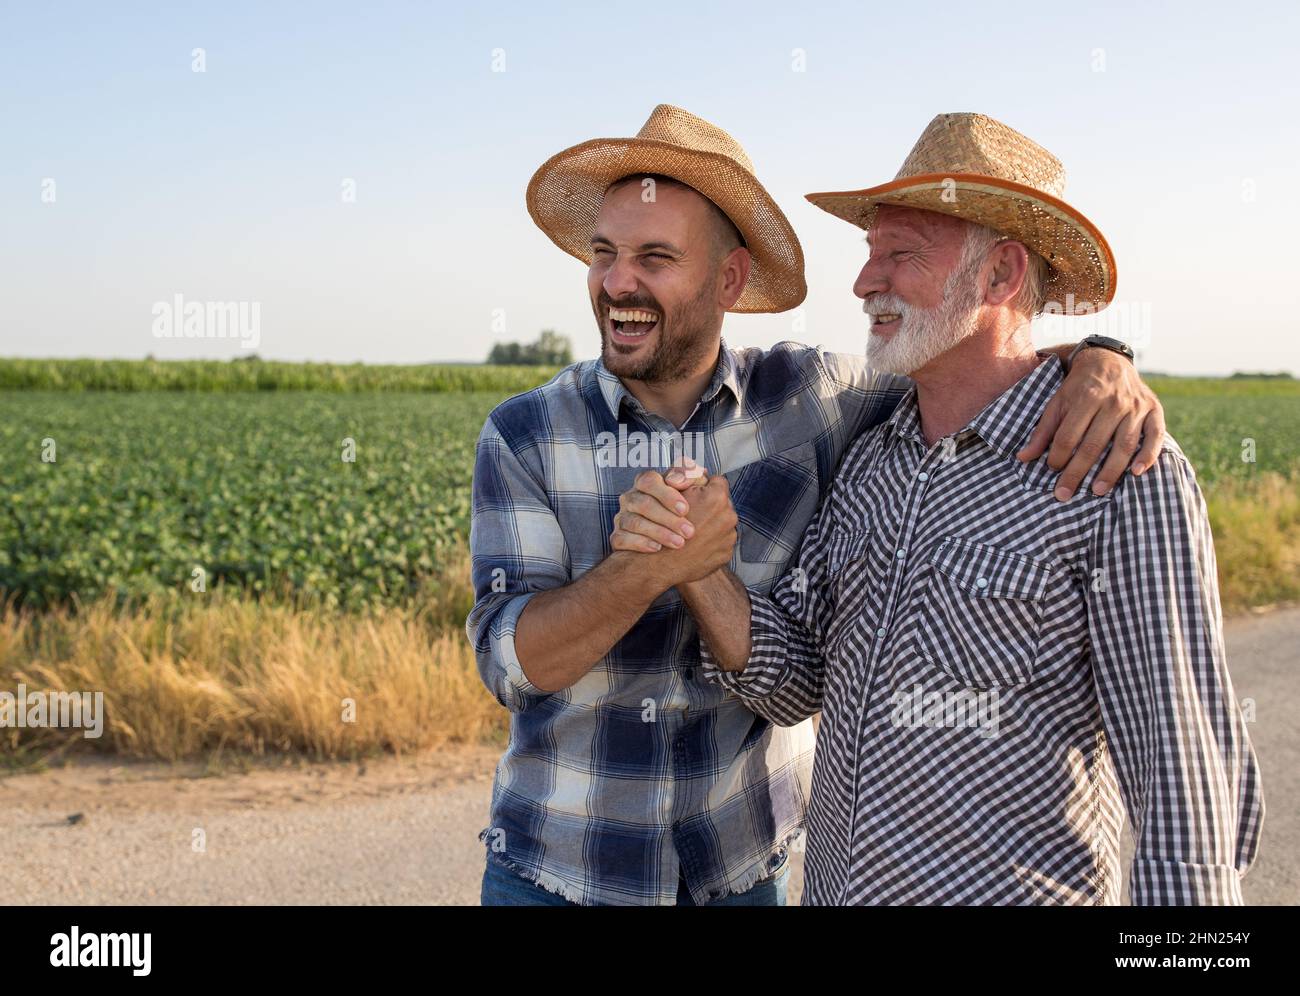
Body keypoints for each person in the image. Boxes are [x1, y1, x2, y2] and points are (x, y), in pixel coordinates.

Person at [469, 106, 1165, 906]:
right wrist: (646, 570)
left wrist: (1098, 360)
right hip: (560, 873)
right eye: (605, 255)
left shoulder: (816, 402)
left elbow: (968, 365)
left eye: (655, 258)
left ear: (729, 281)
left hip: (743, 870)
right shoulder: (525, 434)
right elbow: (513, 666)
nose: (618, 283)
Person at [615, 113, 1263, 905]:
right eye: (870, 254)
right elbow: (801, 682)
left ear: (1000, 277)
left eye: (902, 255)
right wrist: (700, 570)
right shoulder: (871, 460)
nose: (862, 283)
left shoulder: (1119, 475)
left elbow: (1185, 782)